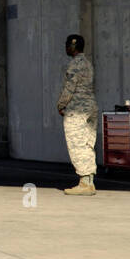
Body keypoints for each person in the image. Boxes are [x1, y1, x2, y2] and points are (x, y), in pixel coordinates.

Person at [57, 33, 98, 196]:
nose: (66, 48)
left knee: (77, 144)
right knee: (88, 143)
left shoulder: (74, 65)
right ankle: (90, 182)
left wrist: (61, 104)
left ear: (72, 47)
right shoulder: (87, 63)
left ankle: (84, 183)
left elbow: (69, 88)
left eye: (67, 45)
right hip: (91, 106)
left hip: (77, 108)